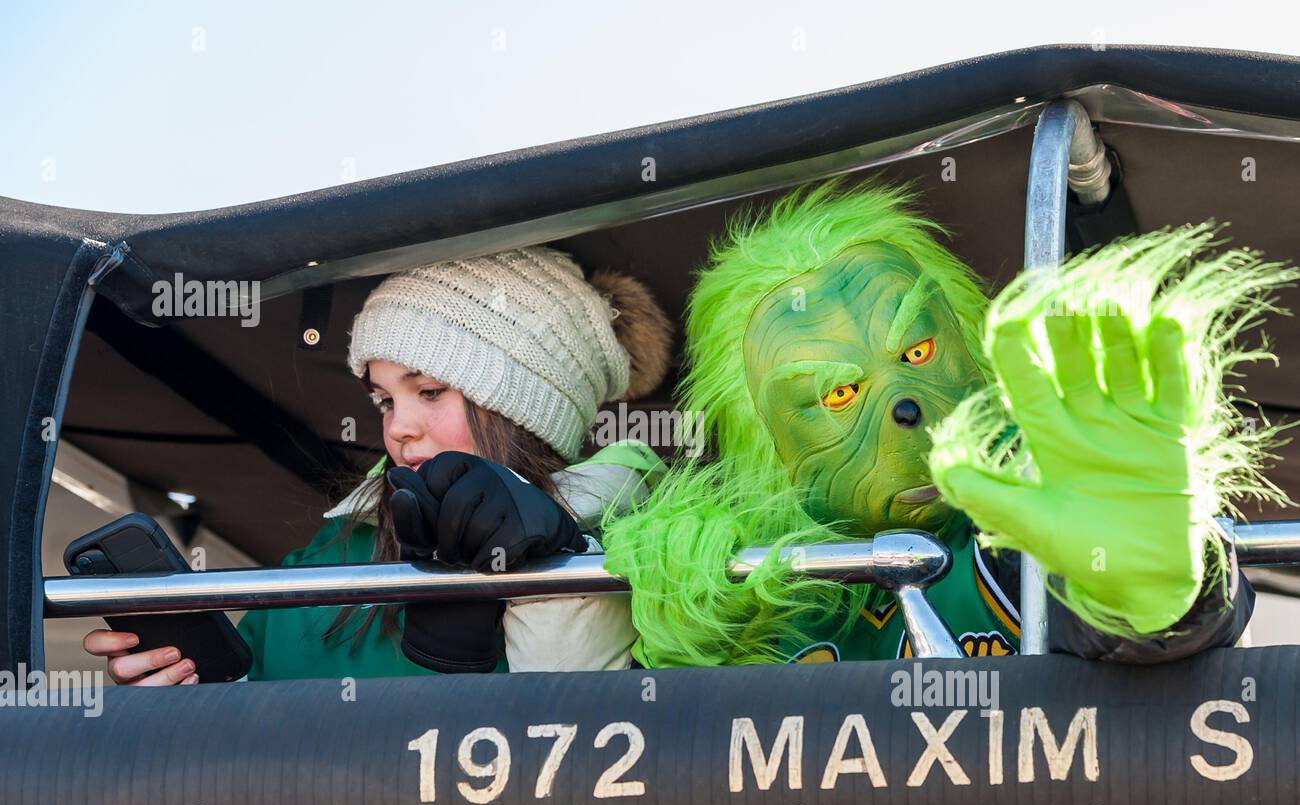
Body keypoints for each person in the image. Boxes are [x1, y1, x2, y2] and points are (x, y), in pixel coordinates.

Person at [604, 181, 1286, 666]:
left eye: (919, 351)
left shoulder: (1025, 521)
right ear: (769, 452)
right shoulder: (742, 601)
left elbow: (1137, 630)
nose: (908, 407)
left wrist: (1150, 578)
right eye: (840, 393)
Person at [83, 245, 673, 683]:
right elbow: (251, 745)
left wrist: (552, 572)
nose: (397, 426)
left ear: (527, 408)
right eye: (385, 399)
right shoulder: (323, 557)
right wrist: (184, 700)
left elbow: (565, 760)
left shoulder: (631, 551)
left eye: (431, 392)